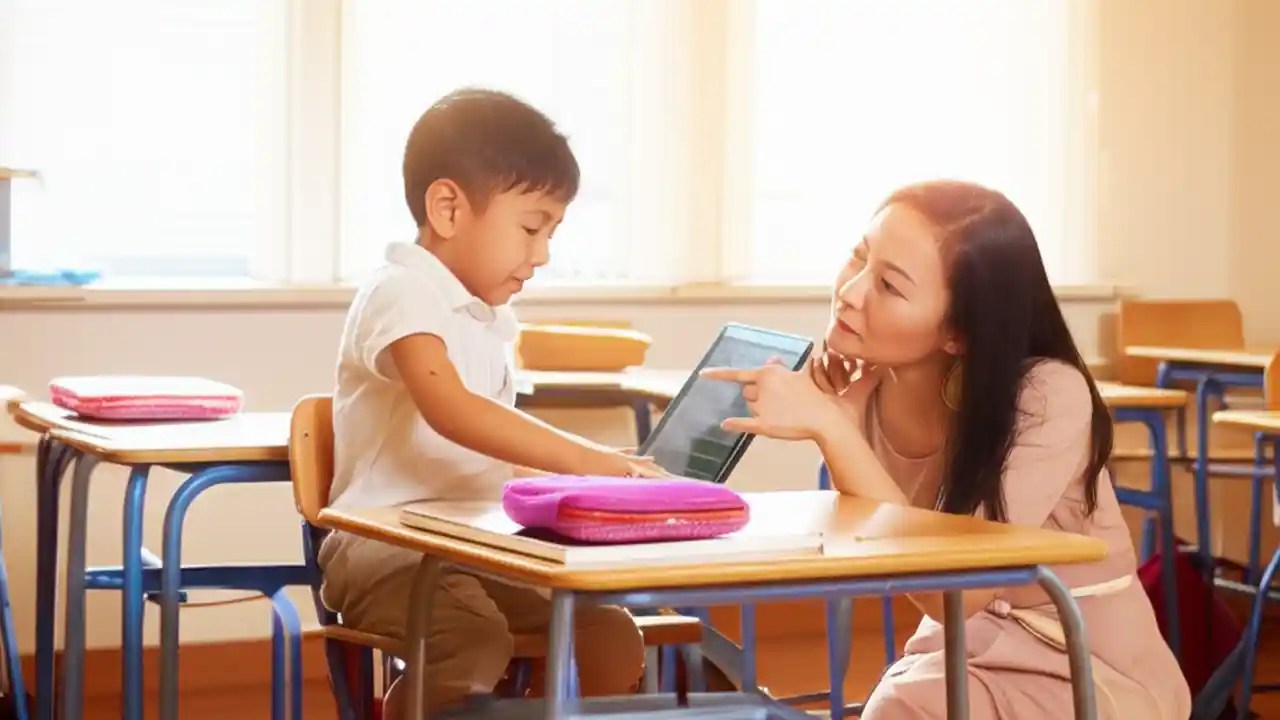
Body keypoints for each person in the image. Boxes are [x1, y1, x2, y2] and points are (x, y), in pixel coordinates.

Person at [704, 180, 1190, 719]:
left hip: (1081, 663)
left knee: (903, 708)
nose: (851, 291)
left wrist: (831, 428)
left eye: (889, 285)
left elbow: (954, 594)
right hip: (960, 649)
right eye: (859, 257)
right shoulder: (867, 392)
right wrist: (840, 421)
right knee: (899, 706)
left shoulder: (1049, 393)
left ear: (958, 332)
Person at [319, 88, 656, 717]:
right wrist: (589, 461)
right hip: (383, 550)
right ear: (448, 207)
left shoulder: (489, 317)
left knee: (607, 632)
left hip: (476, 544)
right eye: (532, 227)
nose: (544, 254)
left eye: (552, 231)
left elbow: (496, 457)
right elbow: (452, 410)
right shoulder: (401, 292)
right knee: (473, 641)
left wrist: (610, 483)